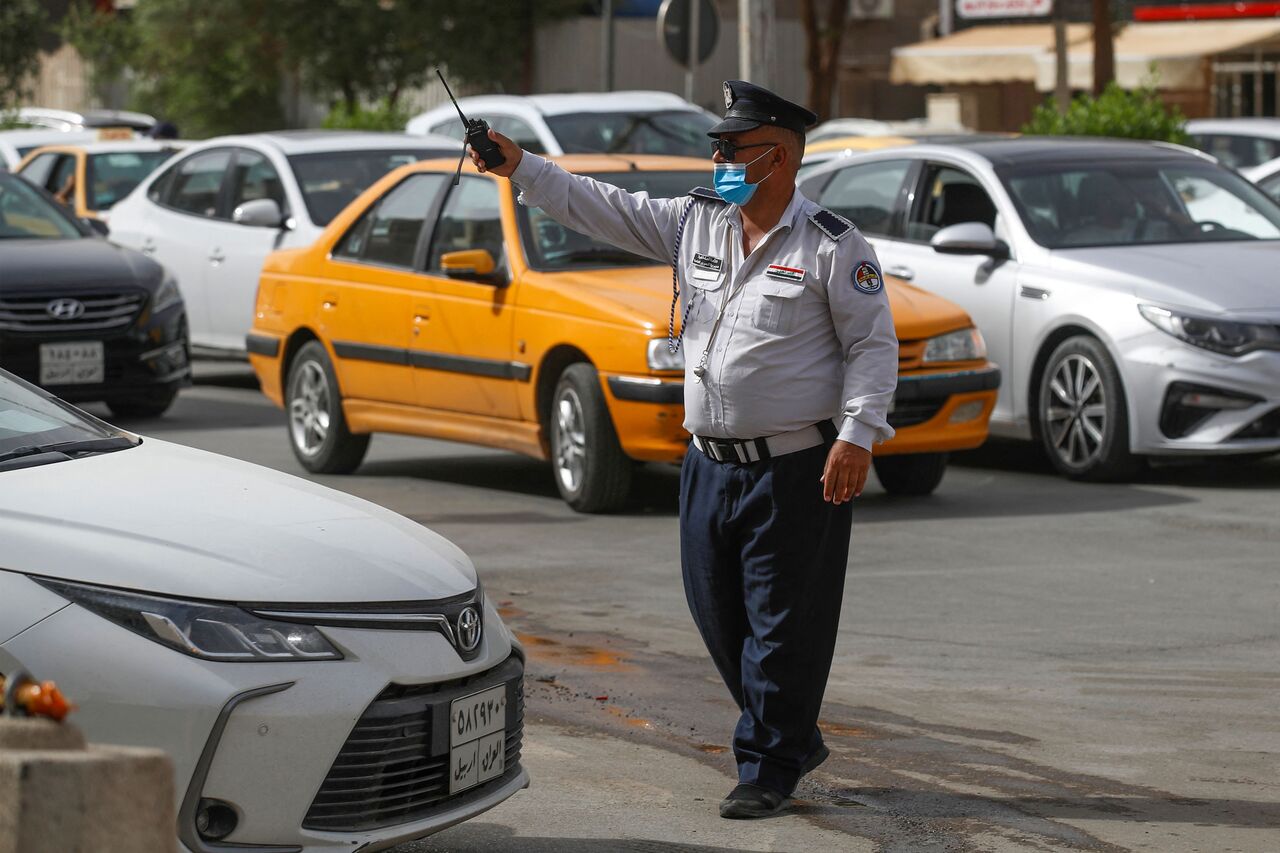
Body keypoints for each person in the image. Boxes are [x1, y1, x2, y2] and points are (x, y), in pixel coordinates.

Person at [468, 80, 898, 819]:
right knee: (716, 611)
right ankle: (789, 729)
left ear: (782, 156)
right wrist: (519, 165)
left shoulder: (832, 244)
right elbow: (599, 205)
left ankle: (766, 764)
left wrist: (858, 435)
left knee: (781, 621)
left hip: (794, 465)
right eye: (718, 147)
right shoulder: (694, 222)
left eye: (734, 148)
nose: (721, 159)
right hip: (707, 464)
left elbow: (872, 345)